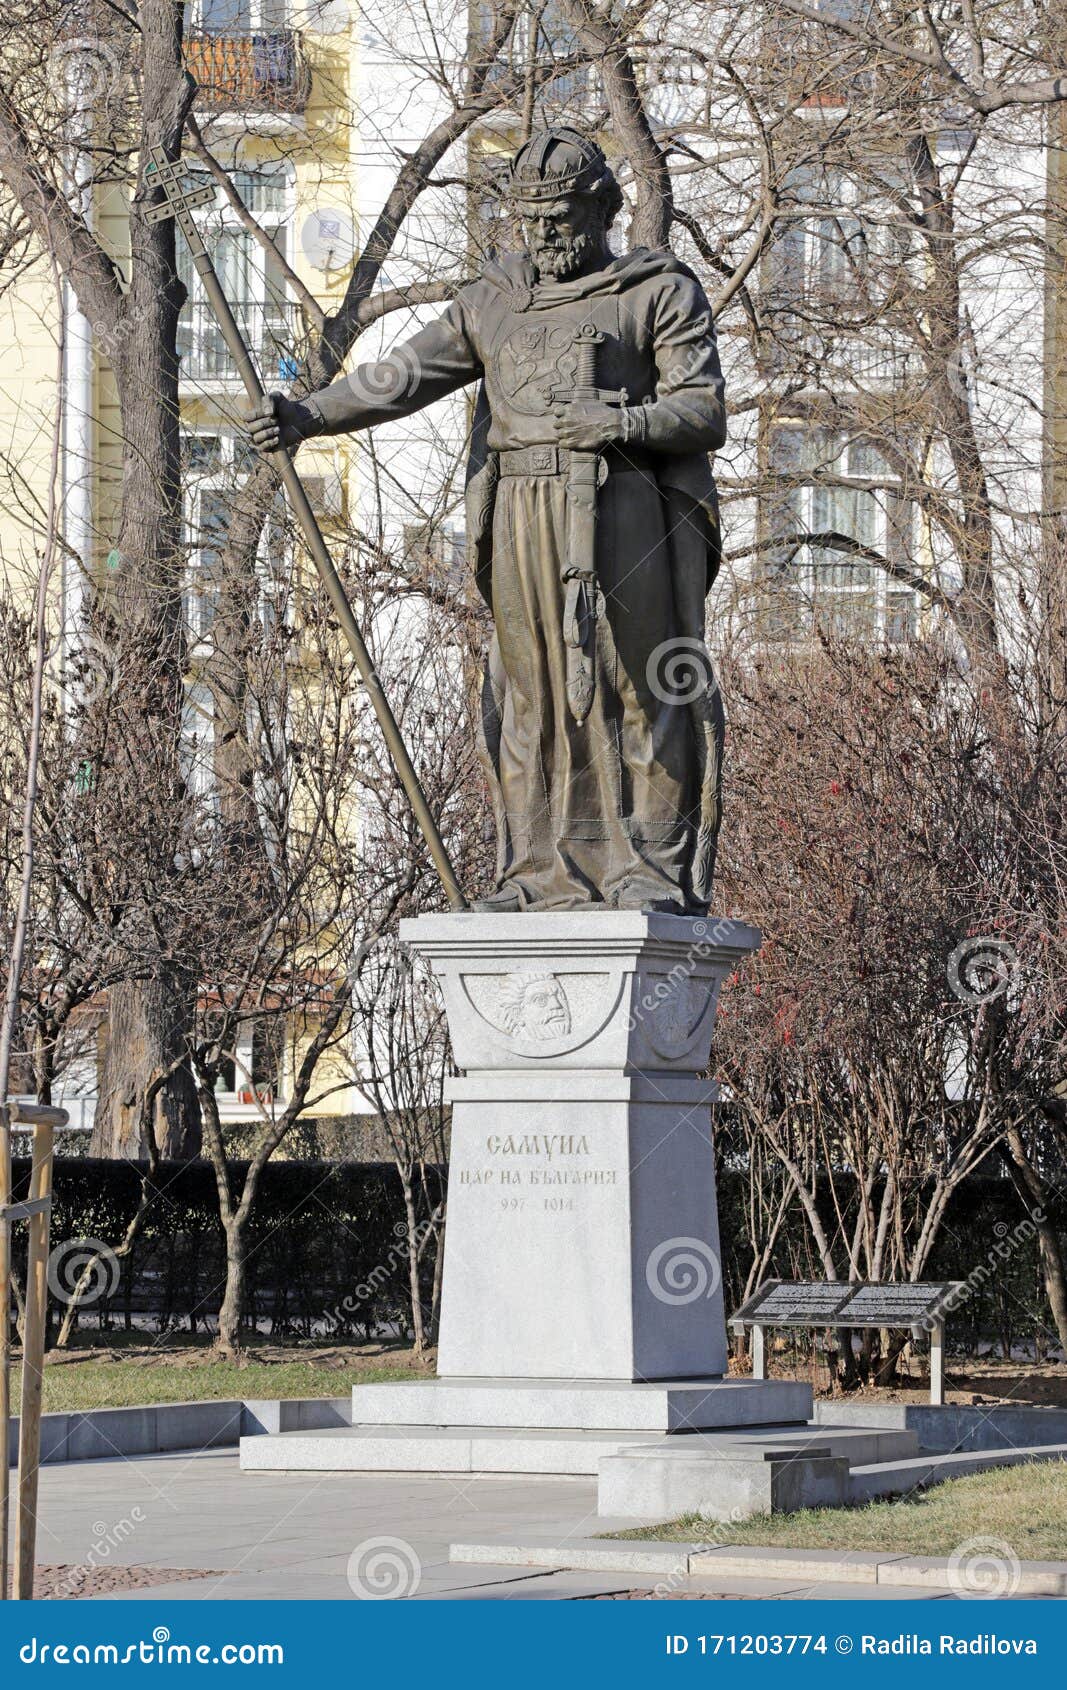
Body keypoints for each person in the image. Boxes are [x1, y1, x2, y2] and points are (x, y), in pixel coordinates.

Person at [245, 127, 726, 914]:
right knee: (530, 689)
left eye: (560, 217)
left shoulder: (655, 291)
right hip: (520, 512)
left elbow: (703, 408)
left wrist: (621, 422)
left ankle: (646, 869)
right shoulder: (492, 301)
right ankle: (534, 871)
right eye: (528, 220)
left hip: (622, 505)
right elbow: (400, 376)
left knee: (634, 684)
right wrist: (307, 414)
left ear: (602, 207)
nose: (542, 236)